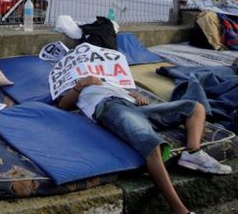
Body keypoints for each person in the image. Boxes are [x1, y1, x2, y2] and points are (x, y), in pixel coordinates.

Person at [57, 76, 232, 214]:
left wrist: (135, 96)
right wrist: (82, 84)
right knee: (150, 143)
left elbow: (130, 95)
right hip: (110, 108)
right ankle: (179, 209)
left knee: (194, 107)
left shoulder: (109, 81)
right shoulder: (78, 84)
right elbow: (63, 105)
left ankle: (193, 152)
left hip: (135, 107)